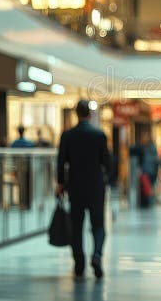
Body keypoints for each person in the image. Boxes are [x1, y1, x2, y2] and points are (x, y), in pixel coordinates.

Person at [56, 100, 112, 279]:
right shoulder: (99, 135)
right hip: (96, 186)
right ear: (90, 113)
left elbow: (61, 162)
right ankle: (97, 255)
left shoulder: (68, 135)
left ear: (76, 114)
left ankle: (79, 264)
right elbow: (107, 162)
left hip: (75, 187)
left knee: (76, 226)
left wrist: (61, 183)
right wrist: (108, 181)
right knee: (98, 224)